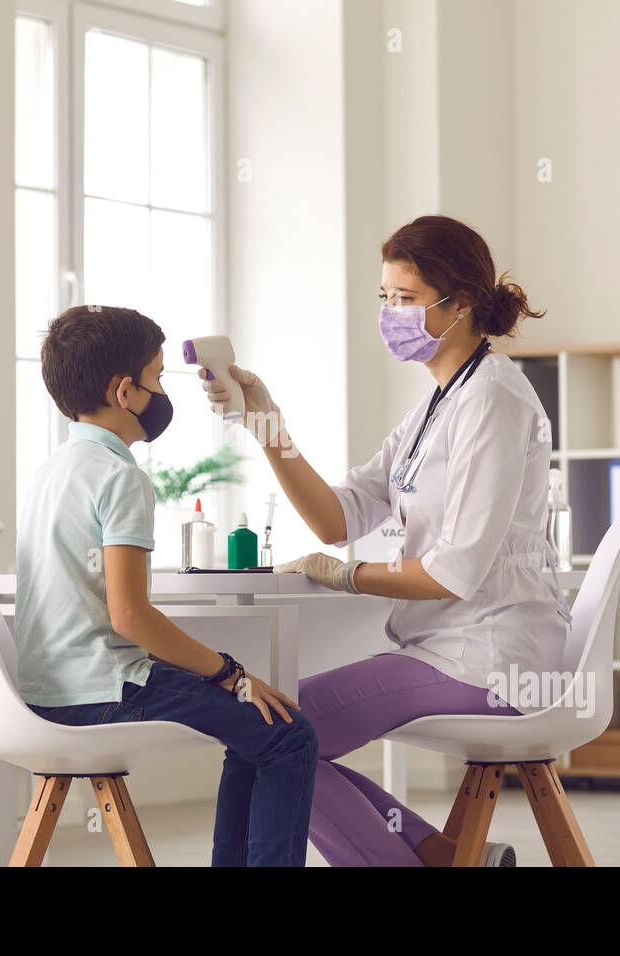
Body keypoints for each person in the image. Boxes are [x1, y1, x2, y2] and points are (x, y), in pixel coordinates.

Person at [200, 215, 569, 866]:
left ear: (459, 305)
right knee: (275, 730)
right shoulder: (433, 407)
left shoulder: (494, 399)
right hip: (442, 648)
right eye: (385, 298)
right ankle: (439, 857)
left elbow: (455, 571)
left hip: (491, 654)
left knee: (277, 729)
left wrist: (343, 575)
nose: (390, 314)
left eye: (405, 298)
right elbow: (338, 518)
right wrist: (265, 421)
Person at [16, 305, 317, 867]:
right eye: (156, 379)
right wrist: (230, 672)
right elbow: (130, 617)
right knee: (288, 734)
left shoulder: (54, 469)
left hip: (43, 693)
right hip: (104, 692)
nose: (161, 392)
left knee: (258, 730)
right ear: (124, 391)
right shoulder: (120, 477)